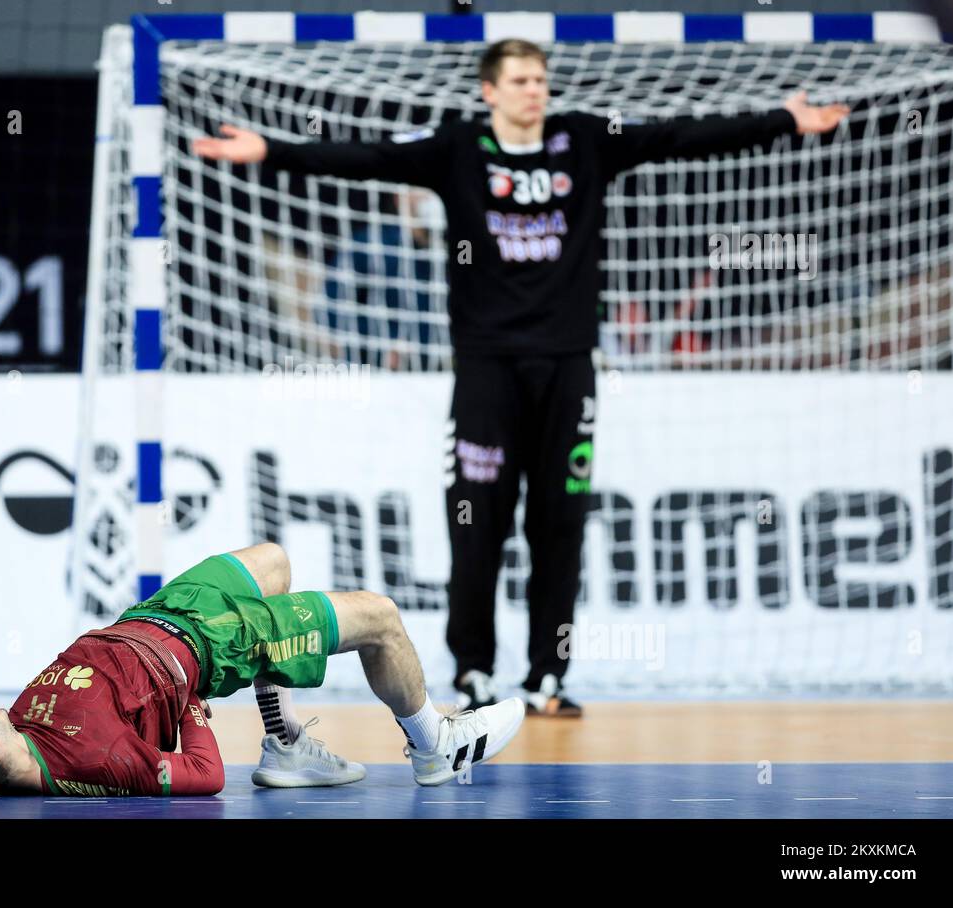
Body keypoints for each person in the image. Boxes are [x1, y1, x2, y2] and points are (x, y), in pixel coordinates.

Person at [192, 39, 849, 715]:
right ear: (490, 90)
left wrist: (782, 119)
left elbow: (679, 138)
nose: (535, 90)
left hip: (568, 368)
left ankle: (548, 679)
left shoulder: (585, 141)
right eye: (521, 80)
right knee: (476, 526)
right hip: (486, 369)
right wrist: (270, 149)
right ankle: (474, 671)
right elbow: (368, 158)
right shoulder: (458, 148)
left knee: (560, 526)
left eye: (541, 79)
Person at [0, 543, 525, 797]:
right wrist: (192, 699)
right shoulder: (96, 759)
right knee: (381, 618)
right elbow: (205, 776)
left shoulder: (22, 721)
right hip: (215, 643)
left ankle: (285, 745)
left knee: (273, 561)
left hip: (158, 613)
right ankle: (436, 745)